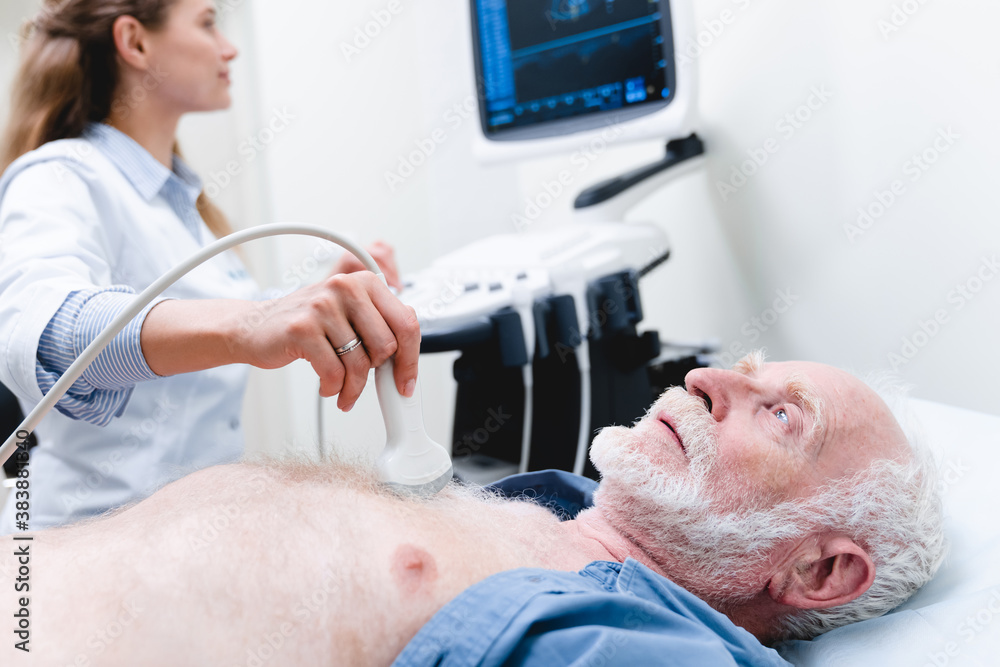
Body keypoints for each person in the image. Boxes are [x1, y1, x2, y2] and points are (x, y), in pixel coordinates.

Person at [0, 353, 946, 665]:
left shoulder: (644, 644)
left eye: (779, 413)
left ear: (818, 570)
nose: (703, 378)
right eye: (735, 367)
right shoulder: (546, 512)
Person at [0, 0, 419, 534]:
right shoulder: (57, 175)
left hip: (189, 534)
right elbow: (43, 329)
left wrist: (314, 297)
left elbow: (201, 308)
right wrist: (249, 325)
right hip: (93, 543)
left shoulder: (175, 201)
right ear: (135, 42)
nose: (230, 46)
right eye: (206, 22)